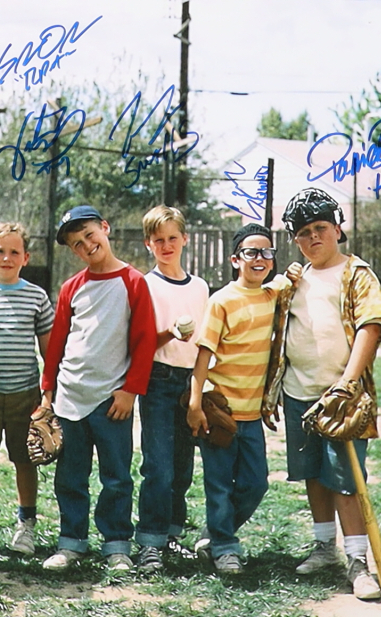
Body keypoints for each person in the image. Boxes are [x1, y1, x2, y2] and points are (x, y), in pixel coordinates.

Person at [278, 188, 381, 600]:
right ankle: (325, 546)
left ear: (338, 229)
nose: (313, 237)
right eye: (303, 232)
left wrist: (348, 381)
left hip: (342, 397)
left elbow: (371, 326)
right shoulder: (295, 280)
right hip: (299, 392)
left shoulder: (356, 273)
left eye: (320, 228)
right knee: (313, 474)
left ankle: (357, 561)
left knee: (345, 480)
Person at [39, 205, 157, 572]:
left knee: (116, 477)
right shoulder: (71, 288)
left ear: (105, 228)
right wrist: (48, 389)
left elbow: (145, 341)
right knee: (70, 477)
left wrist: (130, 390)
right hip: (70, 397)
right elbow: (57, 343)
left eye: (89, 234)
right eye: (76, 243)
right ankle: (71, 542)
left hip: (112, 399)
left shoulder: (133, 282)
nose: (86, 245)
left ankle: (116, 544)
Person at [187, 224, 289, 575]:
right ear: (235, 260)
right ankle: (225, 548)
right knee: (218, 486)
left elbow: (291, 280)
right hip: (222, 412)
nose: (260, 258)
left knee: (256, 483)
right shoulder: (222, 301)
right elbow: (204, 355)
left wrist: (293, 274)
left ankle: (215, 534)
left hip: (253, 416)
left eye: (267, 252)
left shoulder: (273, 295)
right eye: (251, 252)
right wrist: (195, 403)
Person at [0, 223, 54, 557]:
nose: (7, 258)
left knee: (25, 460)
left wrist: (47, 395)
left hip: (24, 395)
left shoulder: (36, 296)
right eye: (0, 251)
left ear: (26, 258)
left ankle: (25, 528)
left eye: (15, 252)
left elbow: (48, 350)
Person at [135, 205, 210, 571]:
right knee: (159, 466)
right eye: (158, 240)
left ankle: (171, 534)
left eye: (172, 238)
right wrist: (170, 333)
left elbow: (205, 343)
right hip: (158, 380)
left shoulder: (200, 287)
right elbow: (140, 343)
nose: (166, 246)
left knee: (182, 466)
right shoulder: (145, 285)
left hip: (190, 381)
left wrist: (200, 389)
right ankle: (149, 541)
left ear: (185, 239)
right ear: (148, 244)